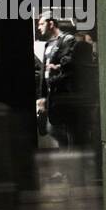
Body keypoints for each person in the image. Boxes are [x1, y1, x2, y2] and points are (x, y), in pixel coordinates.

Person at [36, 14, 79, 147]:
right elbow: (44, 72)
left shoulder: (67, 40)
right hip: (52, 94)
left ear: (51, 24)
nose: (39, 27)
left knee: (66, 130)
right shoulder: (48, 44)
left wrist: (58, 67)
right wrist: (42, 96)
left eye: (41, 24)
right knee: (52, 128)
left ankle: (71, 158)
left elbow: (70, 64)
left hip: (64, 93)